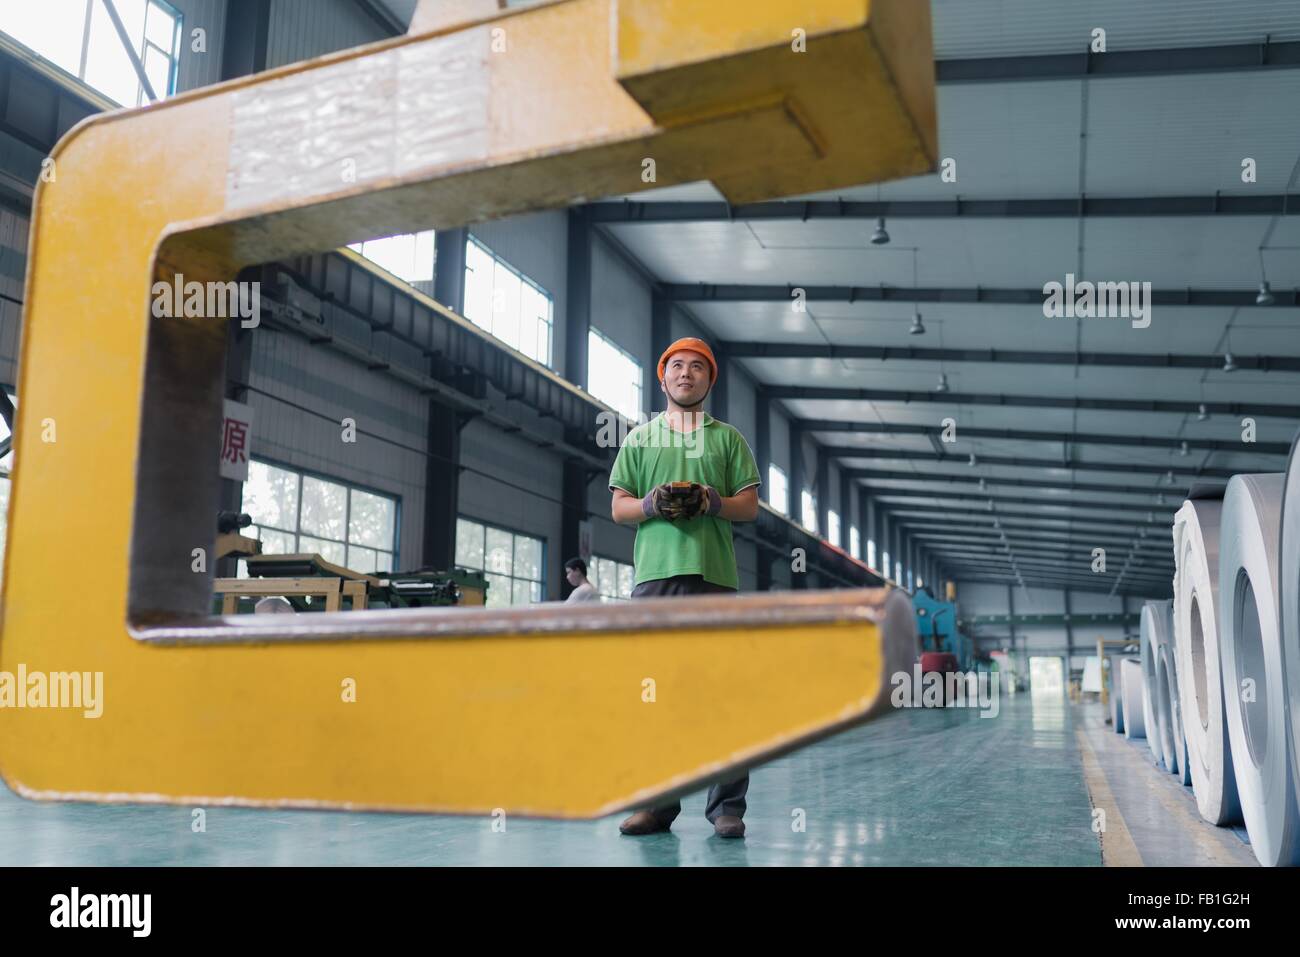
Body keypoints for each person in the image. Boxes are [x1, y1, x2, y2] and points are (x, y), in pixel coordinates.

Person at [608, 336, 761, 838]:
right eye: (677, 366)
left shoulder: (728, 440)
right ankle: (656, 806)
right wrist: (651, 504)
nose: (686, 374)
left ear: (709, 380)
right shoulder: (638, 440)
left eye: (698, 367)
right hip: (654, 582)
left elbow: (749, 506)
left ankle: (726, 809)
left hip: (715, 580)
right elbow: (619, 507)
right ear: (663, 376)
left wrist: (714, 503)